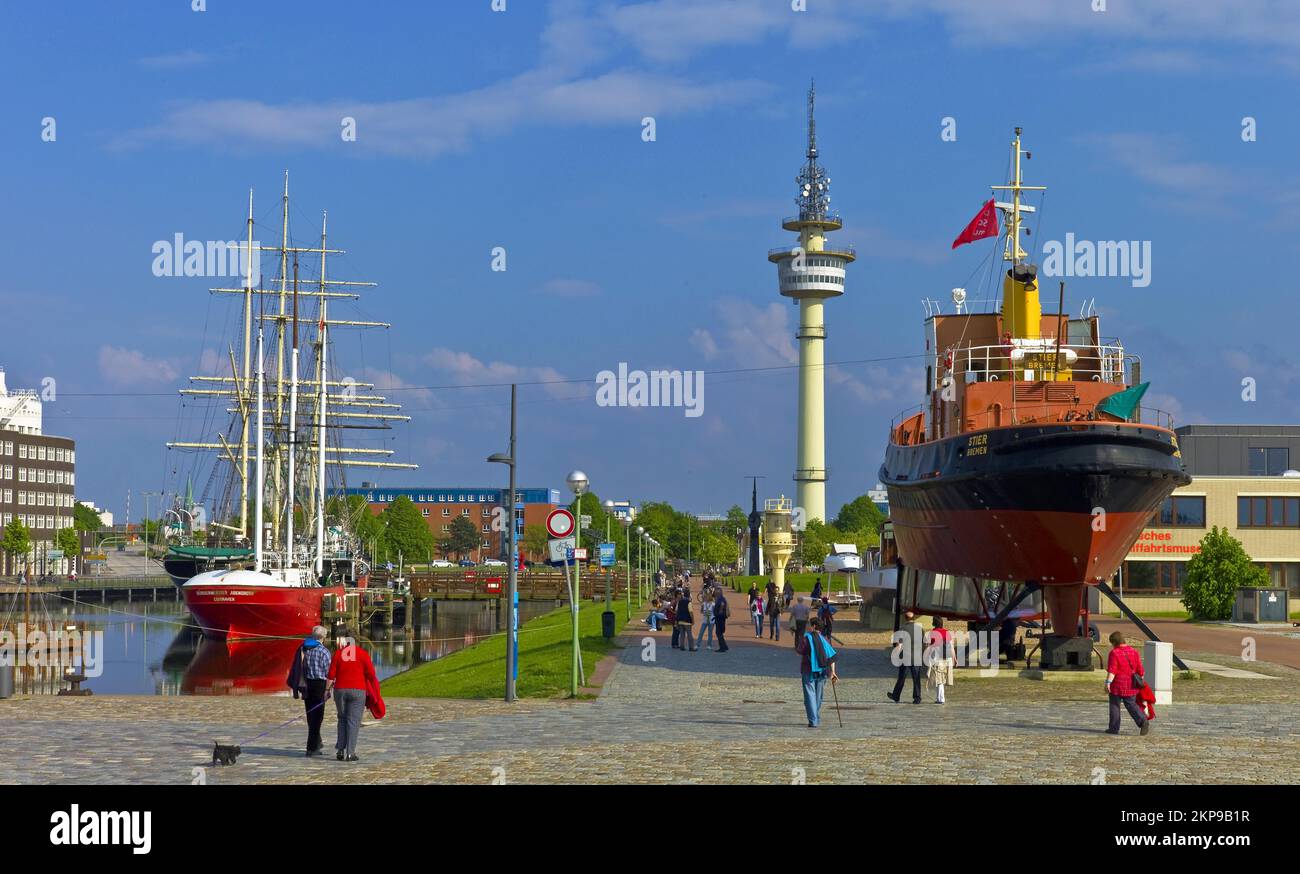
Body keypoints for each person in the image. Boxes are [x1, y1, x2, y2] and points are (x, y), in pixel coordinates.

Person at [327, 628, 379, 762]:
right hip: (358, 690)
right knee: (353, 722)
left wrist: (326, 691)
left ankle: (340, 750)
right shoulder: (362, 654)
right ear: (357, 640)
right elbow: (371, 675)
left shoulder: (338, 654)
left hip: (340, 690)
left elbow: (331, 676)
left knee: (342, 719)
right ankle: (350, 752)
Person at [286, 625, 332, 756]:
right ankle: (311, 747)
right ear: (323, 637)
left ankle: (317, 742)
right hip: (320, 685)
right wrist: (328, 688)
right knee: (318, 717)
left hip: (306, 684)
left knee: (310, 715)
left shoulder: (304, 649)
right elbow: (329, 672)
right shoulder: (324, 652)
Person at [1105, 631, 1151, 736]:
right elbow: (1141, 670)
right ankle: (1143, 720)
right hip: (1131, 684)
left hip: (1117, 685)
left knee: (1114, 706)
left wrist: (1107, 683)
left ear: (1113, 642)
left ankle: (1114, 728)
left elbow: (1112, 670)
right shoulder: (1134, 651)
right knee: (1131, 704)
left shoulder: (1114, 653)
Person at [796, 617, 839, 728]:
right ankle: (816, 716)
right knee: (818, 696)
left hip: (808, 670)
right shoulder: (825, 639)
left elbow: (799, 651)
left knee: (810, 695)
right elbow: (832, 656)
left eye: (810, 624)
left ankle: (813, 720)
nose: (808, 626)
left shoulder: (807, 638)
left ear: (814, 626)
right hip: (823, 671)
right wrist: (833, 672)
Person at [888, 611, 924, 704]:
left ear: (905, 618)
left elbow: (899, 645)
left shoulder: (902, 629)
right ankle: (917, 698)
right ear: (914, 618)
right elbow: (924, 643)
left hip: (906, 657)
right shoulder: (920, 629)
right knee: (916, 678)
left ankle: (896, 696)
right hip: (917, 657)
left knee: (902, 678)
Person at [925, 616, 955, 704]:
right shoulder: (946, 632)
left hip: (937, 658)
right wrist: (954, 658)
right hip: (947, 658)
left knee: (939, 679)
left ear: (934, 622)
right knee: (941, 678)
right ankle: (939, 698)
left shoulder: (932, 633)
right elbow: (951, 646)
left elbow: (929, 647)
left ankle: (941, 699)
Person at [713, 587, 730, 652]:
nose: (715, 593)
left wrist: (718, 613)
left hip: (720, 618)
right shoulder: (721, 599)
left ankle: (722, 647)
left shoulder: (721, 600)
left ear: (718, 593)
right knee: (719, 632)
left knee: (718, 632)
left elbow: (721, 608)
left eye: (715, 592)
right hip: (720, 617)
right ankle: (724, 646)